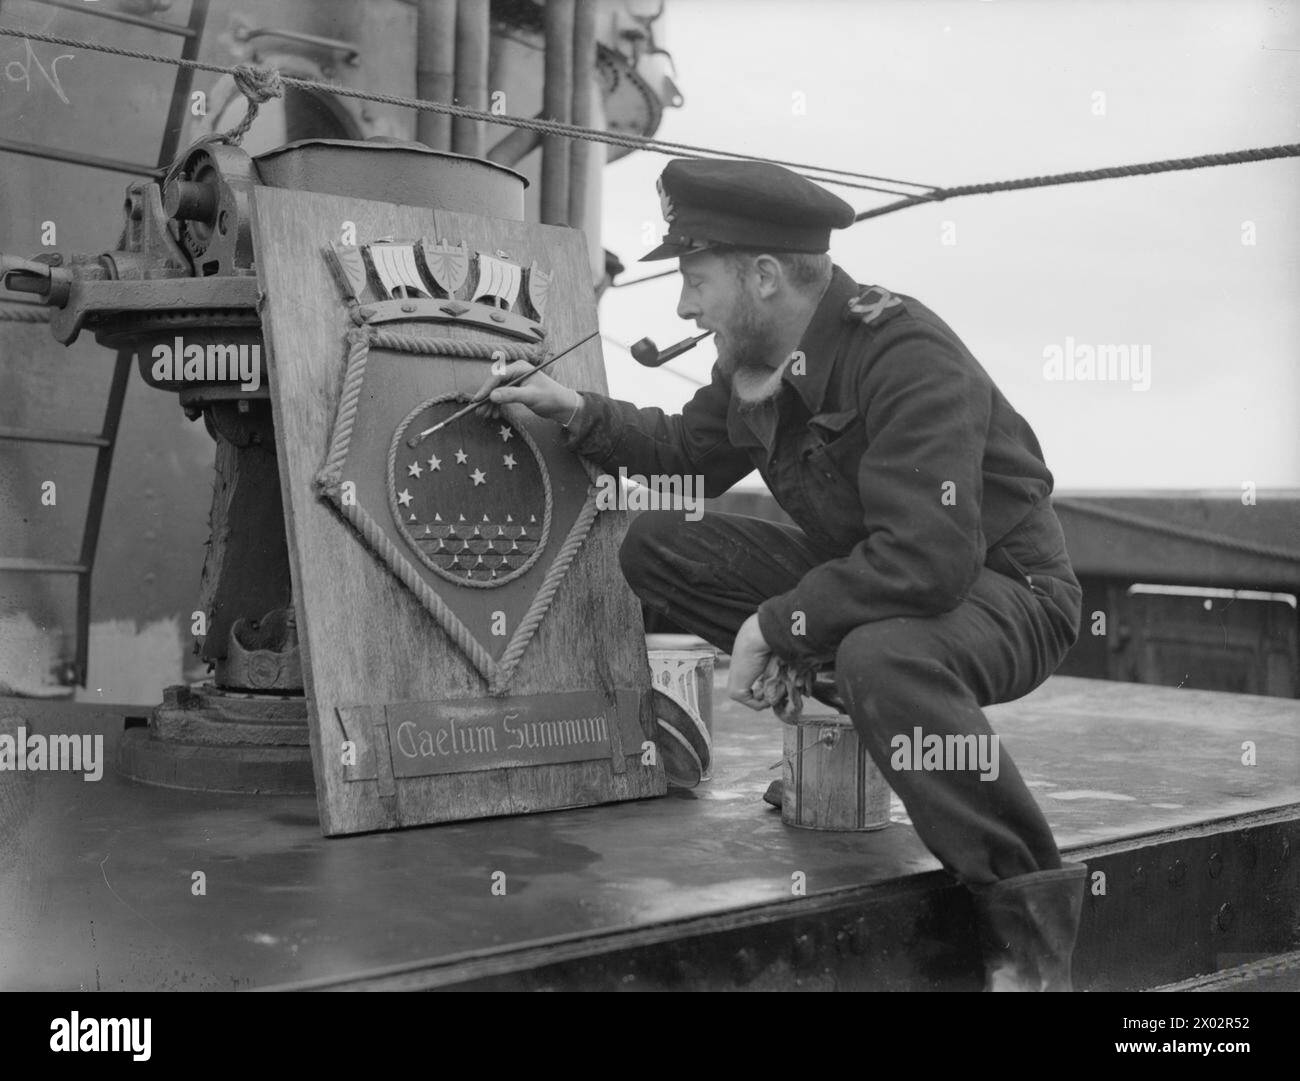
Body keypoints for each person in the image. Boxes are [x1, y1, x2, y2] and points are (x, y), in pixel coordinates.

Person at [475, 158, 1088, 992]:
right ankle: (851, 692)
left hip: (1005, 588)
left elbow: (928, 557)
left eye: (695, 280)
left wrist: (774, 625)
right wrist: (575, 411)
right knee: (655, 544)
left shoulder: (904, 353)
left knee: (884, 654)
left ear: (763, 276)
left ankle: (1028, 930)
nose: (685, 306)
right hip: (876, 574)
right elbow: (688, 455)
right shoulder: (751, 363)